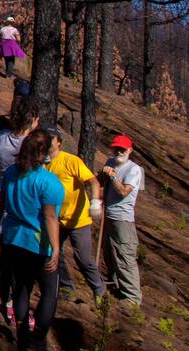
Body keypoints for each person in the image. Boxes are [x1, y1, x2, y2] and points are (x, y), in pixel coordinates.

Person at [0, 129, 64, 351]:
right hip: (37, 242)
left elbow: (0, 202)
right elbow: (50, 217)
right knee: (50, 291)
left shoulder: (11, 172)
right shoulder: (48, 182)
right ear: (43, 153)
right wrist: (56, 248)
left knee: (21, 288)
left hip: (12, 238)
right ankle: (38, 338)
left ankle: (22, 334)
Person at [0, 92, 39, 329]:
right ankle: (13, 304)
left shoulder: (1, 137)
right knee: (20, 258)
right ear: (32, 119)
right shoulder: (31, 145)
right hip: (22, 202)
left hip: (0, 197)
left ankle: (4, 302)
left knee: (6, 255)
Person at [43, 126, 105, 302]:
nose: (49, 141)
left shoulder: (71, 161)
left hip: (79, 220)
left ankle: (98, 289)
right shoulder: (42, 163)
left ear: (59, 143)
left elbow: (92, 181)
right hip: (56, 220)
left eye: (52, 138)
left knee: (83, 258)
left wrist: (94, 203)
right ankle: (66, 287)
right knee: (54, 252)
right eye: (46, 138)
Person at [100, 135, 144, 306]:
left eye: (122, 149)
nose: (118, 152)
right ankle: (116, 288)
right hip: (108, 215)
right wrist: (103, 176)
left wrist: (112, 177)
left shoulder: (134, 169)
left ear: (130, 151)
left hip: (123, 219)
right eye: (116, 148)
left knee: (125, 256)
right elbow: (101, 183)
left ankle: (132, 298)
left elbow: (124, 191)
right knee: (109, 254)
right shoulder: (110, 162)